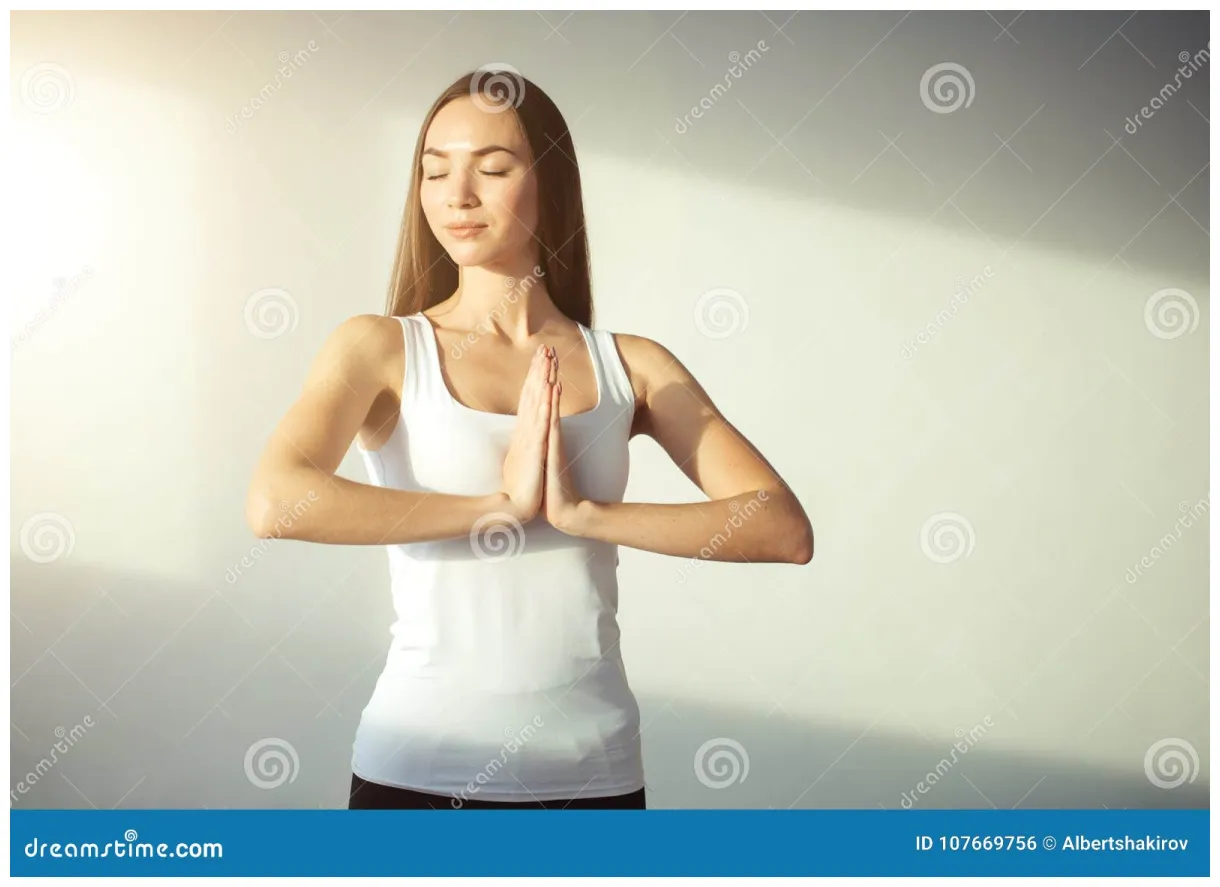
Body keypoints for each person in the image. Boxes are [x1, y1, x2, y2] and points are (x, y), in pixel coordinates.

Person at [245, 68, 814, 811]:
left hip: (596, 776)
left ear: (551, 185)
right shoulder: (380, 347)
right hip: (417, 771)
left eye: (492, 168)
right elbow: (275, 501)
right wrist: (500, 506)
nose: (457, 195)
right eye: (435, 170)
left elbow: (780, 526)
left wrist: (587, 516)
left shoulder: (631, 366)